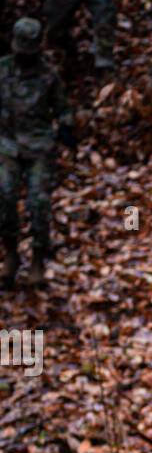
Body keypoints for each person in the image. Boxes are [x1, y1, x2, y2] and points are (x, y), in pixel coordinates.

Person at [0, 17, 75, 287]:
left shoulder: (48, 76)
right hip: (7, 145)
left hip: (39, 147)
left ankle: (38, 259)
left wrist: (67, 127)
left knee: (38, 202)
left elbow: (63, 109)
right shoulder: (3, 70)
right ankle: (11, 255)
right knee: (4, 198)